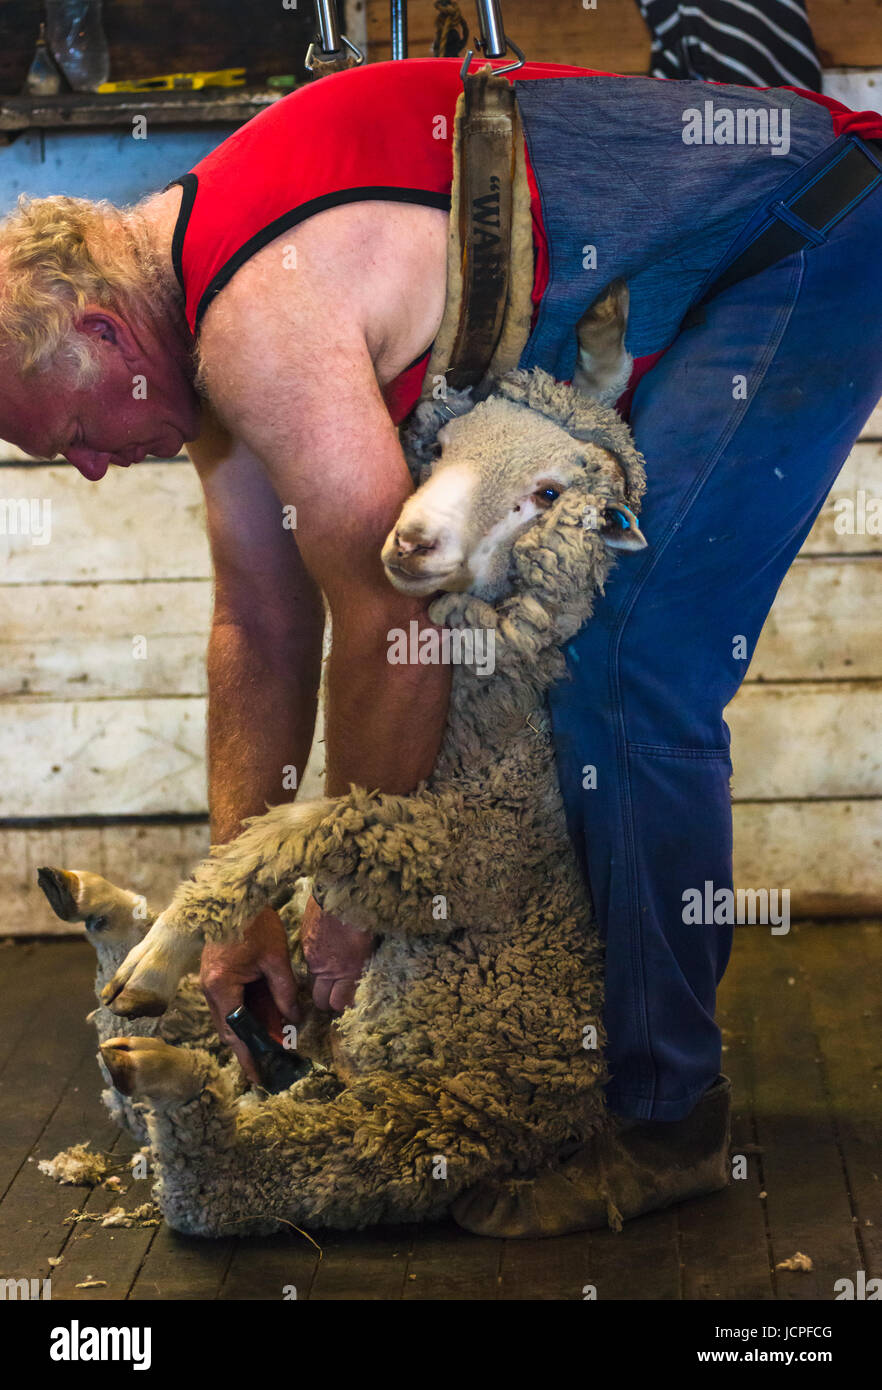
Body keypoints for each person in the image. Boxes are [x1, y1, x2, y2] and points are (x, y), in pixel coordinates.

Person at [1, 56, 880, 1232]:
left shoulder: (254, 311)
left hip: (816, 230)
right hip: (763, 242)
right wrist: (240, 910)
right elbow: (259, 630)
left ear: (109, 334)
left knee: (628, 674)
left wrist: (353, 895)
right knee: (592, 678)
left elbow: (387, 619)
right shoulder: (213, 317)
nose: (97, 470)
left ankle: (670, 1118)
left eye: (72, 439)